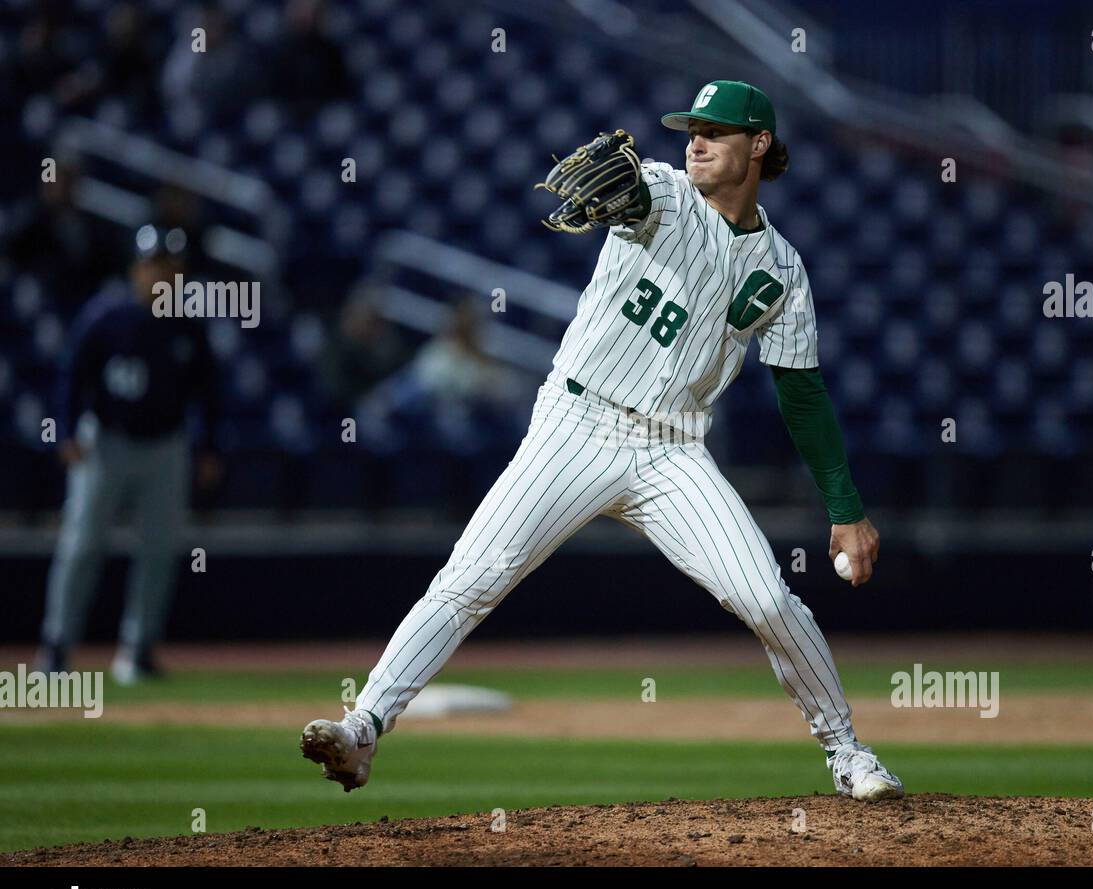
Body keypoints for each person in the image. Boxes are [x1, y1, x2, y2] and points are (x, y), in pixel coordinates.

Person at [301, 81, 904, 802]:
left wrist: (845, 506)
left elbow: (801, 394)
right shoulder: (664, 191)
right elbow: (641, 193)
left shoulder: (783, 270)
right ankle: (365, 728)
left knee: (769, 600)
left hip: (674, 451)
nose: (695, 141)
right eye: (691, 129)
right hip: (577, 425)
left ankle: (848, 753)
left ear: (760, 145)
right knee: (473, 576)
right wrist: (637, 194)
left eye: (715, 130)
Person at [34, 225, 222, 684]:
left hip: (165, 445)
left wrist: (207, 446)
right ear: (138, 268)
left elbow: (209, 389)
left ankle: (138, 648)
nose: (164, 275)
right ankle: (57, 646)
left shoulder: (187, 324)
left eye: (172, 266)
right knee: (82, 544)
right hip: (107, 442)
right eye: (156, 264)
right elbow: (72, 375)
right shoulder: (106, 316)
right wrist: (64, 430)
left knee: (159, 549)